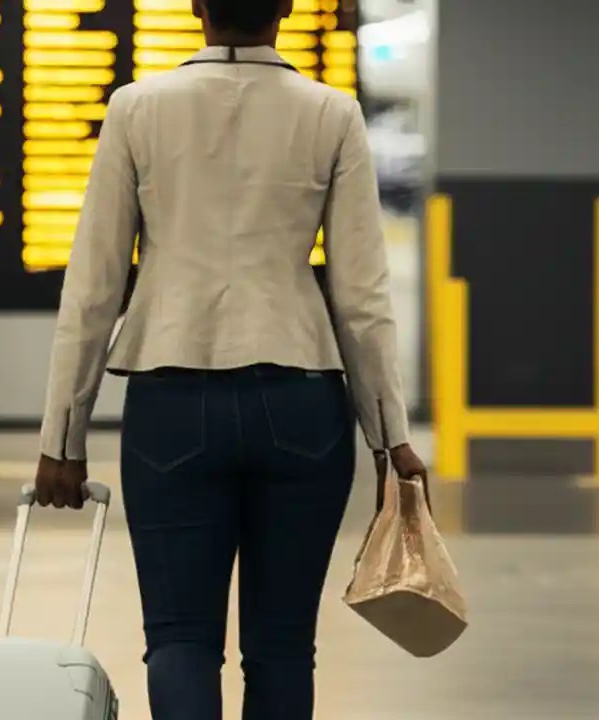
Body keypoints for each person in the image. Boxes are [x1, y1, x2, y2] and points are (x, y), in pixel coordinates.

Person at [33, 1, 426, 718]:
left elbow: (92, 289)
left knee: (180, 639)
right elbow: (362, 294)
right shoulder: (331, 114)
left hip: (171, 398)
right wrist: (388, 435)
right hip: (303, 402)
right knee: (282, 646)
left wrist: (63, 437)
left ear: (196, 7)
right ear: (284, 7)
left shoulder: (136, 109)